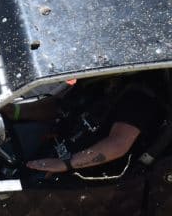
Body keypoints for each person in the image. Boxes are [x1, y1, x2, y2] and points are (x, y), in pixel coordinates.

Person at [25, 74, 164, 176]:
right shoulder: (97, 79)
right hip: (52, 147)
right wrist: (16, 112)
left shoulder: (138, 97)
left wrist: (65, 164)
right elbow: (59, 106)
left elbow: (118, 143)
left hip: (83, 178)